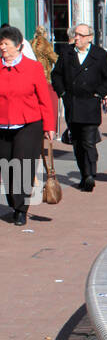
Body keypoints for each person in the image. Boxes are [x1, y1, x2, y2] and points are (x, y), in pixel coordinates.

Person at [0, 24, 57, 226]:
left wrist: (50, 126)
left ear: (18, 46)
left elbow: (45, 100)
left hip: (29, 125)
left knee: (23, 166)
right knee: (7, 167)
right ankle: (14, 203)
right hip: (3, 126)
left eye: (6, 44)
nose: (3, 48)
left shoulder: (33, 68)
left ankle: (21, 209)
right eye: (1, 44)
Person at [50, 22, 107, 191]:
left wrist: (99, 94)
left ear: (90, 38)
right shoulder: (67, 53)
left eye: (81, 35)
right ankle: (84, 173)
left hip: (90, 104)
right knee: (77, 142)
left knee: (88, 141)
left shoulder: (99, 55)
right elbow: (56, 75)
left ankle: (90, 174)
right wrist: (62, 93)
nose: (76, 38)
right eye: (75, 34)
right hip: (72, 104)